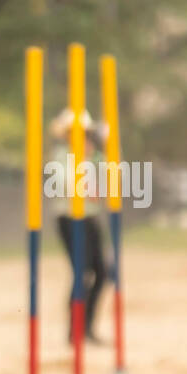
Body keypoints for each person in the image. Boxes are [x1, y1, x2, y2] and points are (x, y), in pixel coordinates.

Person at [49, 107, 110, 344]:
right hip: (69, 219)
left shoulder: (94, 155)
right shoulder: (60, 156)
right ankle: (74, 330)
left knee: (102, 273)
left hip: (90, 218)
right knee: (81, 273)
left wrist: (104, 148)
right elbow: (66, 184)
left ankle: (87, 328)